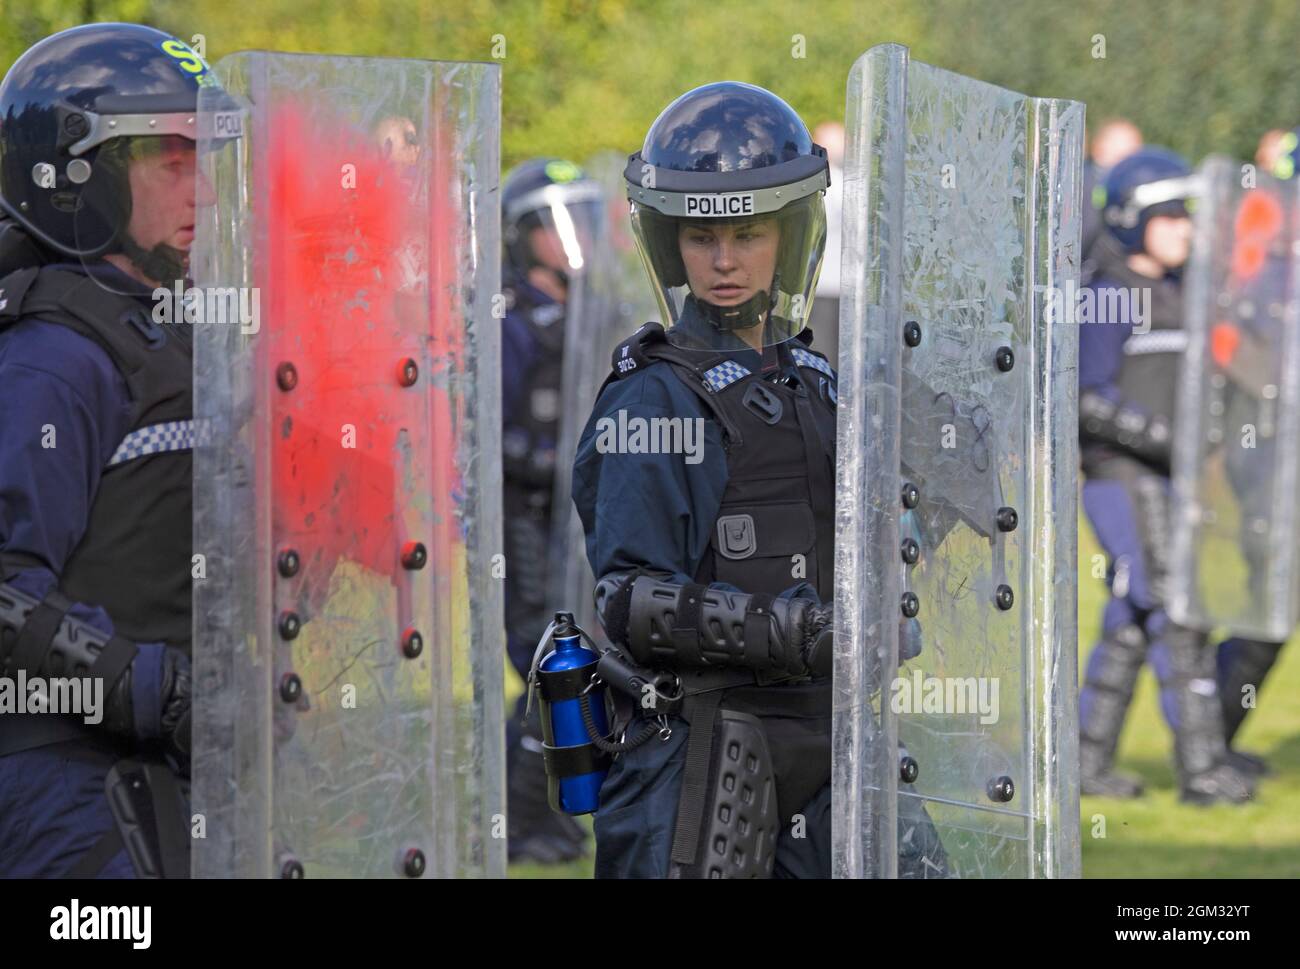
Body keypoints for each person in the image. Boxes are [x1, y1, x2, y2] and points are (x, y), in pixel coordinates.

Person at [570, 81, 948, 878]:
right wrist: (802, 632)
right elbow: (630, 600)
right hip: (707, 748)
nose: (727, 259)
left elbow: (863, 539)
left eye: (750, 232)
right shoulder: (654, 394)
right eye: (703, 236)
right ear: (672, 244)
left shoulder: (817, 379)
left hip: (836, 735)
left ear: (793, 236)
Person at [0, 22, 228, 876]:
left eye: (205, 157)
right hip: (70, 793)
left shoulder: (172, 331)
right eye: (171, 160)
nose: (202, 188)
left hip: (161, 779)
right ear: (79, 177)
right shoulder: (53, 356)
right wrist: (156, 689)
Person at [1077, 147, 1254, 805]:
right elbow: (1085, 397)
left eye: (1188, 213)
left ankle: (1084, 762)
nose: (1186, 226)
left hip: (1169, 479)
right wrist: (1166, 439)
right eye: (1171, 214)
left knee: (1130, 617)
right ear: (1132, 218)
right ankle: (1203, 771)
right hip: (1120, 476)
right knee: (1180, 611)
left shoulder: (1184, 292)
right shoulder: (1107, 292)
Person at [499, 158, 606, 864]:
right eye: (554, 225)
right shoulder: (509, 321)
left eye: (582, 219)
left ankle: (555, 810)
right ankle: (517, 812)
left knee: (587, 661)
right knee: (545, 664)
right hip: (524, 517)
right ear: (522, 236)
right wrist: (549, 460)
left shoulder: (594, 315)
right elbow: (479, 431)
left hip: (579, 518)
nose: (574, 239)